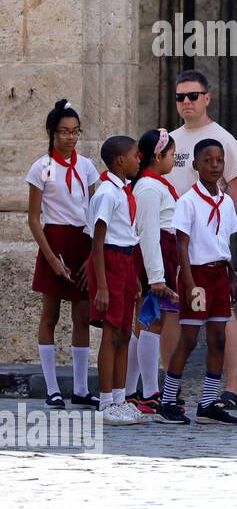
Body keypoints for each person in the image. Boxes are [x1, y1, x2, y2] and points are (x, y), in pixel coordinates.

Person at [170, 70, 237, 410]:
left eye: (193, 95)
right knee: (178, 320)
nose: (186, 102)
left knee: (221, 323)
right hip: (177, 238)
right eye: (180, 97)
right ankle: (170, 393)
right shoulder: (171, 140)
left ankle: (229, 389)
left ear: (207, 97)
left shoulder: (223, 139)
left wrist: (215, 222)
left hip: (210, 247)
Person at [157, 139, 237, 426]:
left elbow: (225, 241)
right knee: (190, 339)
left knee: (218, 337)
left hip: (220, 275)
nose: (214, 166)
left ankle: (207, 403)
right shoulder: (188, 201)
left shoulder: (226, 201)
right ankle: (167, 401)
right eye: (208, 161)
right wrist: (191, 284)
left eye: (219, 161)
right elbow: (182, 245)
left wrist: (232, 277)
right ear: (195, 165)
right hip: (197, 275)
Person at [27, 99, 99, 408]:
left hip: (82, 242)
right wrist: (52, 258)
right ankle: (52, 388)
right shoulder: (41, 168)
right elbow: (33, 218)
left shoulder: (87, 167)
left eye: (75, 132)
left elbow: (97, 212)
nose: (70, 138)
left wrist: (93, 255)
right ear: (51, 132)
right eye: (64, 132)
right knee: (50, 314)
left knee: (82, 314)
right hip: (54, 241)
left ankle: (81, 388)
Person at [87, 135, 147, 425]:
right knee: (110, 335)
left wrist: (134, 276)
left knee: (125, 332)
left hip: (125, 262)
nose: (139, 159)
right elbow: (98, 243)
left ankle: (122, 398)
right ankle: (106, 401)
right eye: (136, 155)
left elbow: (128, 237)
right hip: (109, 262)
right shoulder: (107, 194)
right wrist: (101, 286)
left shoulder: (124, 191)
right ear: (120, 160)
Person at [127, 128, 182, 417]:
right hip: (156, 254)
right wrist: (157, 276)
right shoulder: (148, 188)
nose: (174, 159)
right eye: (171, 154)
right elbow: (148, 233)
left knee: (145, 324)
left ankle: (129, 390)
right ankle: (149, 391)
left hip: (166, 253)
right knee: (152, 322)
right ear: (157, 156)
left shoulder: (156, 185)